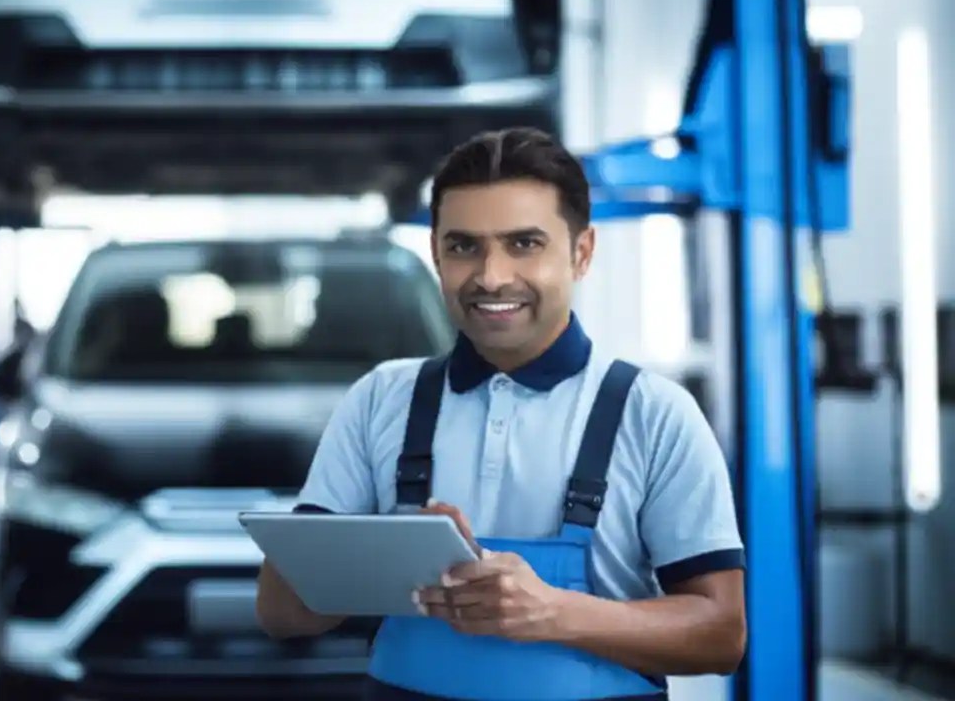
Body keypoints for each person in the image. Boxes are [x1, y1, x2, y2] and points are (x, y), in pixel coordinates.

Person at [255, 127, 747, 701]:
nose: (491, 276)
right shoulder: (381, 399)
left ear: (581, 252)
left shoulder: (654, 413)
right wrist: (383, 558)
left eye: (524, 244)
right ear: (436, 253)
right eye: (464, 246)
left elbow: (720, 635)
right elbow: (280, 613)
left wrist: (555, 613)